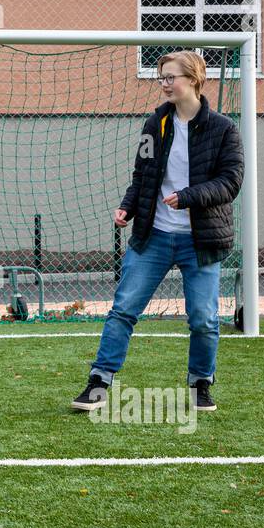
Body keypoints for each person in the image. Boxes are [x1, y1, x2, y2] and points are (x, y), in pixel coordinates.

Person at [72, 50, 244, 414]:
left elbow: (231, 182)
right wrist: (128, 206)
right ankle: (99, 381)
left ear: (193, 79)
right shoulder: (154, 125)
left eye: (171, 76)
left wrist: (187, 198)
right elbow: (143, 175)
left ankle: (200, 382)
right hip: (155, 236)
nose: (164, 83)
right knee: (123, 309)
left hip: (201, 241)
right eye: (161, 77)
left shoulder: (224, 129)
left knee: (203, 318)